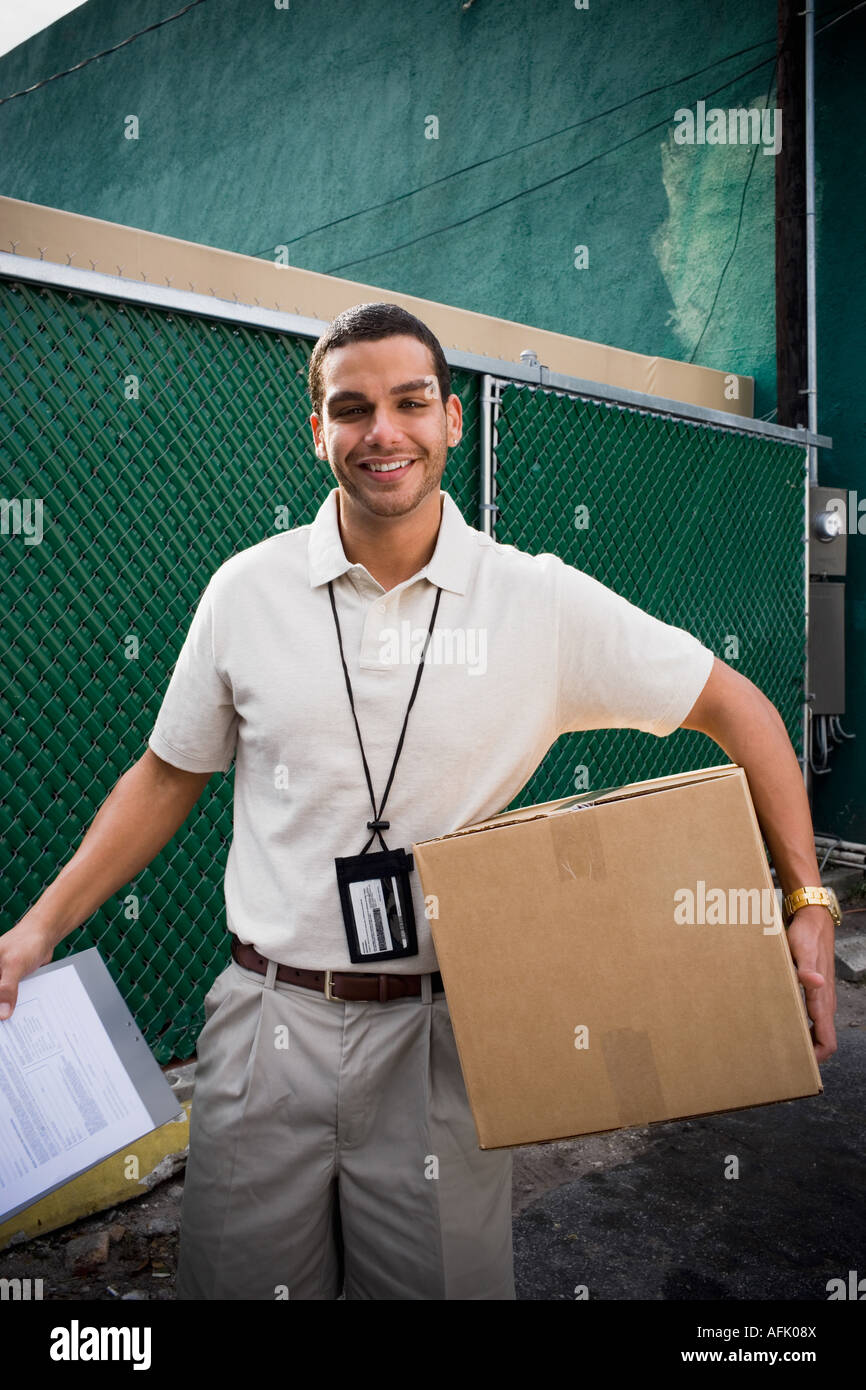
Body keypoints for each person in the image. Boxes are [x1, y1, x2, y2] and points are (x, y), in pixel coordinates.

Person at [0, 302, 836, 1301]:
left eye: (407, 403)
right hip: (267, 1027)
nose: (380, 432)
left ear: (449, 419)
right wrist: (37, 928)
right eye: (350, 409)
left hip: (449, 1033)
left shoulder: (539, 603)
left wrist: (807, 899)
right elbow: (166, 776)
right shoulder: (245, 591)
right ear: (317, 432)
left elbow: (735, 707)